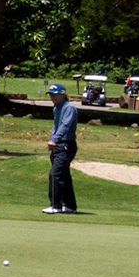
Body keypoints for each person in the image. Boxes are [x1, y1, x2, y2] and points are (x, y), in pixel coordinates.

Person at [45, 83, 78, 214]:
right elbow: (56, 126)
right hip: (58, 145)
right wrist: (52, 140)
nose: (52, 97)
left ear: (63, 94)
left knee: (55, 174)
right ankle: (70, 205)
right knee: (64, 175)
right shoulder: (56, 108)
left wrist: (54, 139)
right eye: (51, 95)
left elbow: (65, 126)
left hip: (66, 145)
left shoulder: (69, 108)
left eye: (55, 95)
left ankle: (55, 205)